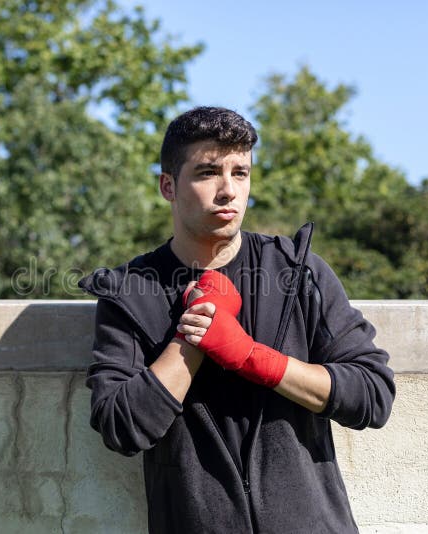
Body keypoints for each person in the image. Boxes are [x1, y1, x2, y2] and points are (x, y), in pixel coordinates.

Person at [78, 106, 396, 533]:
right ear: (168, 186)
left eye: (240, 173)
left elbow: (372, 395)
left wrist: (251, 357)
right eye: (208, 172)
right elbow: (122, 426)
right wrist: (191, 340)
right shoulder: (130, 290)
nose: (228, 190)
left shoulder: (298, 272)